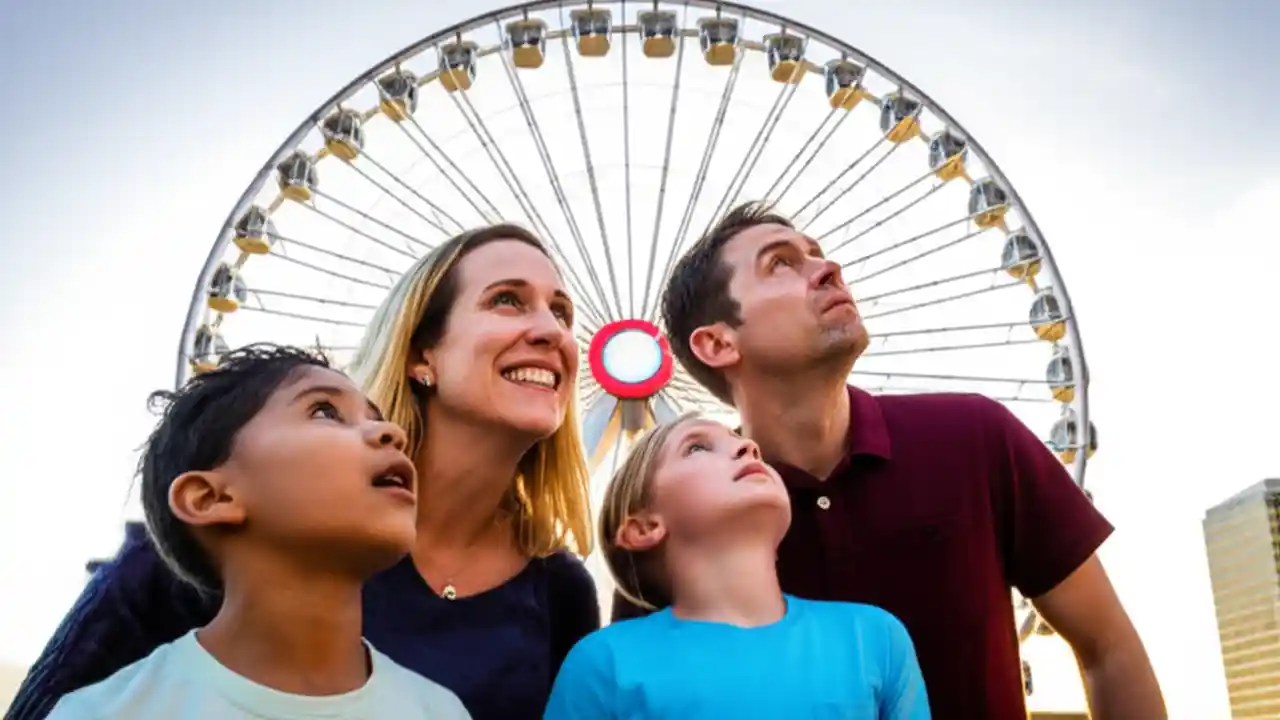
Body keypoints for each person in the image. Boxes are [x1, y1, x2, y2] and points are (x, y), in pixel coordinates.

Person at [10, 224, 599, 720]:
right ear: (423, 355)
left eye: (562, 312)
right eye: (507, 300)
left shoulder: (560, 593)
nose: (553, 332)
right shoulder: (228, 543)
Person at [612, 202, 1165, 719]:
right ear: (716, 344)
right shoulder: (678, 521)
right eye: (780, 264)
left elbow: (1107, 647)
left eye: (817, 252)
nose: (828, 268)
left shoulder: (974, 437)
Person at [44, 345, 470, 719]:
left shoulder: (440, 711)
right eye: (325, 411)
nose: (391, 433)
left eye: (376, 418)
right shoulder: (104, 713)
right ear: (210, 499)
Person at [545, 414, 930, 719]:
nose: (748, 446)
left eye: (743, 441)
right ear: (644, 526)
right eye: (696, 448)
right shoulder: (601, 664)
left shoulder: (875, 638)